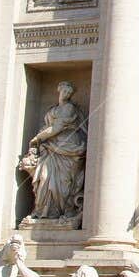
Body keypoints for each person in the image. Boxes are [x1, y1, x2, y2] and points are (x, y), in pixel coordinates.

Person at [21, 81, 87, 221]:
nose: (66, 94)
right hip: (51, 146)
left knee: (64, 182)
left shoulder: (69, 108)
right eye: (64, 91)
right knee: (44, 177)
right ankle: (43, 211)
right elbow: (47, 126)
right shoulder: (53, 109)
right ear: (59, 91)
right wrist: (41, 138)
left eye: (69, 93)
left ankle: (60, 212)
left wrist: (38, 138)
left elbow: (57, 128)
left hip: (67, 146)